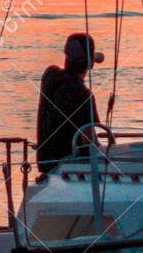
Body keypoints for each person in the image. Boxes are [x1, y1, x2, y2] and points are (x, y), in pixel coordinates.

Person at [36, 33, 103, 172]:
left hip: (46, 164)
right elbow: (89, 143)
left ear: (66, 57)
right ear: (90, 64)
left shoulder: (50, 76)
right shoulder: (84, 95)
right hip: (68, 167)